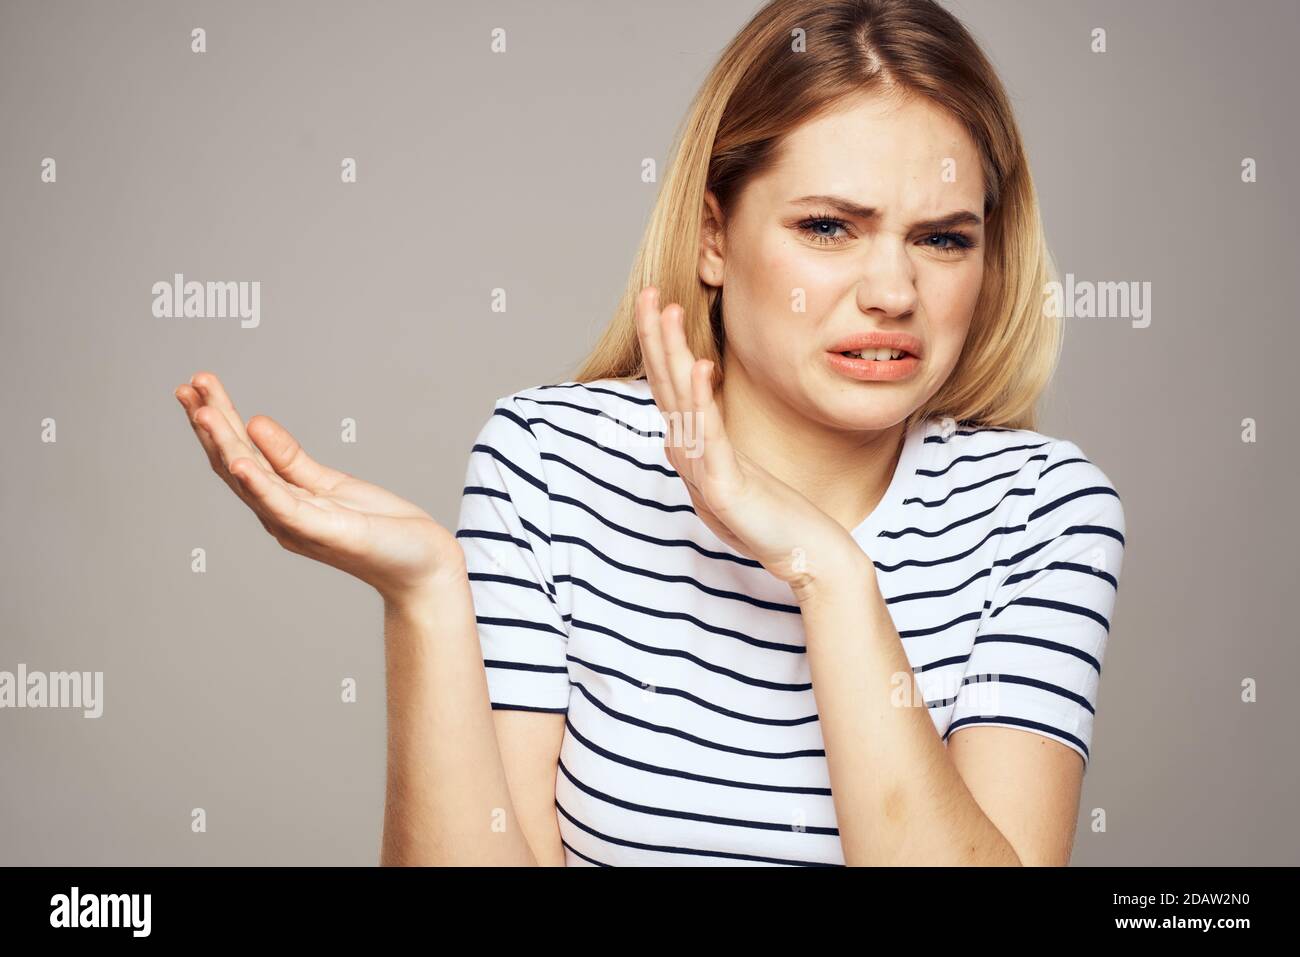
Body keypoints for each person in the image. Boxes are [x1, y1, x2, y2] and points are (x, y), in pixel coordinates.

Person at [175, 0, 1125, 866]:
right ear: (714, 235)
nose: (892, 292)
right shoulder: (551, 463)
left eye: (943, 238)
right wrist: (427, 596)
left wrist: (822, 567)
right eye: (832, 226)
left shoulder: (1040, 514)